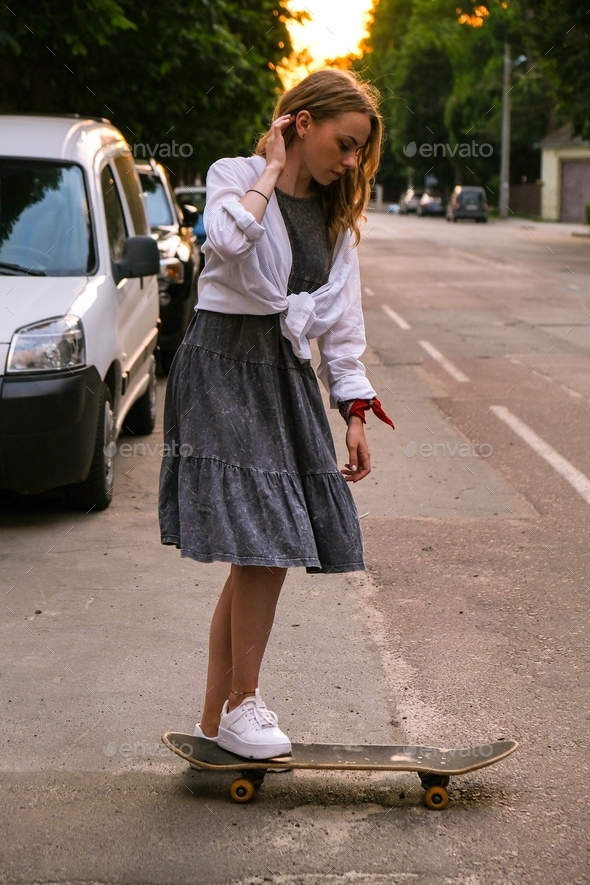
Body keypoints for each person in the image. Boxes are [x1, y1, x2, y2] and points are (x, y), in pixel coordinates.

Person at [159, 69, 394, 760]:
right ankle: (241, 705)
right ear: (301, 122)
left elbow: (342, 324)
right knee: (264, 542)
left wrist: (352, 406)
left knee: (259, 550)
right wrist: (269, 169)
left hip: (283, 377)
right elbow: (227, 242)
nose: (349, 162)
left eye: (358, 152)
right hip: (222, 364)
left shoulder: (334, 216)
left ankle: (215, 719)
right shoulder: (234, 172)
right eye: (344, 144)